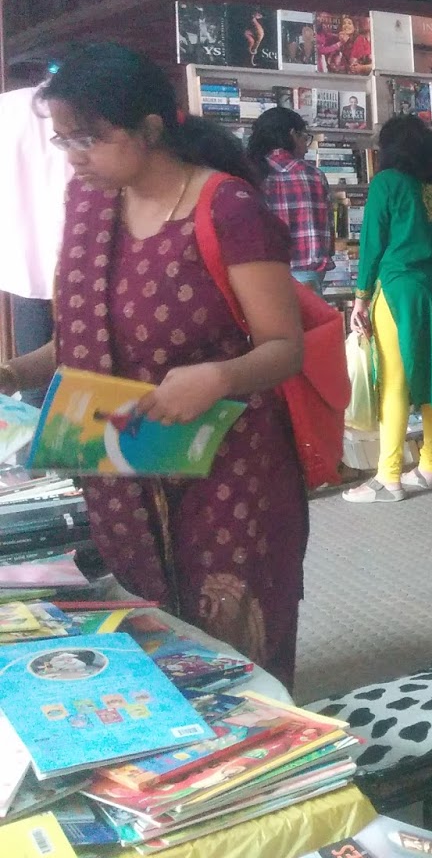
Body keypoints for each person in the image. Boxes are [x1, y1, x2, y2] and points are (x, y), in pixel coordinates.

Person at [0, 44, 308, 686]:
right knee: (144, 632)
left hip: (227, 466)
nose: (74, 157)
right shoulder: (88, 208)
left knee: (231, 633)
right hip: (122, 462)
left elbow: (285, 346)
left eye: (87, 139)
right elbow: (78, 344)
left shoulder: (226, 208)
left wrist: (218, 377)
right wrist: (9, 375)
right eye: (63, 142)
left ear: (149, 129)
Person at [344, 116, 432, 504]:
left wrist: (360, 297)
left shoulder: (387, 183)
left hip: (398, 290)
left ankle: (389, 477)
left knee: (393, 383)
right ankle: (430, 468)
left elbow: (371, 245)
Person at [0, 57, 72, 407]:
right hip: (77, 245)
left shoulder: (5, 109)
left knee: (33, 355)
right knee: (83, 345)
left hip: (20, 250)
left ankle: (35, 423)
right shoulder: (78, 110)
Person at [247, 107, 333, 295]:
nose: (306, 144)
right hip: (307, 274)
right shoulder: (313, 175)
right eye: (305, 137)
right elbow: (328, 232)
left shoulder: (249, 174)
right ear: (293, 135)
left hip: (263, 273)